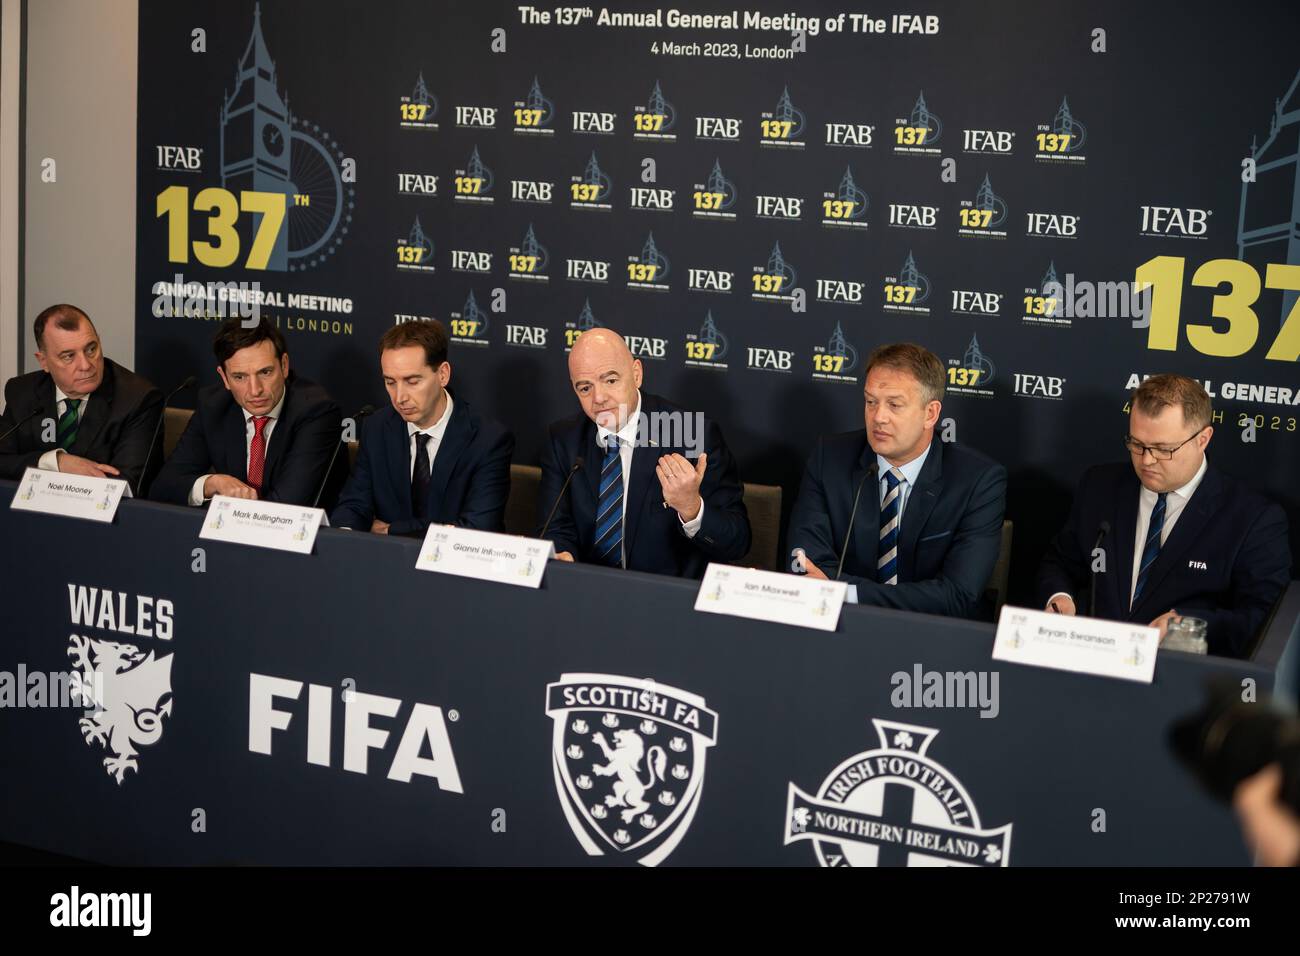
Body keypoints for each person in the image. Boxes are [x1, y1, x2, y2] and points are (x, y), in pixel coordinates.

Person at [1038, 374, 1291, 656]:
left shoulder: (1253, 519)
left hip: (1181, 673)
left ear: (1203, 439)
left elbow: (1263, 620)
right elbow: (1061, 562)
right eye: (1137, 444)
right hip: (1090, 660)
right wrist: (1060, 597)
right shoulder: (1100, 487)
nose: (1147, 460)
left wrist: (1188, 626)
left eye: (1163, 449)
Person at [787, 342, 1006, 619]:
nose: (878, 417)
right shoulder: (829, 459)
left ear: (930, 414)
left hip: (932, 634)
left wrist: (846, 592)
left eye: (894, 405)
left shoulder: (978, 481)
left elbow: (957, 594)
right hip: (839, 624)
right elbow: (805, 564)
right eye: (871, 402)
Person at [537, 327, 749, 577]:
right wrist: (563, 555)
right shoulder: (564, 440)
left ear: (636, 374)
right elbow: (555, 527)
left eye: (610, 380)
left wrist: (692, 508)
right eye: (585, 388)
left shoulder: (691, 434)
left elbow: (738, 541)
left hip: (665, 594)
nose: (599, 398)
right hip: (586, 588)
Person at [331, 319, 513, 536]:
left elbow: (476, 528)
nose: (400, 397)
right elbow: (353, 505)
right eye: (390, 382)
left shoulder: (488, 440)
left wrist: (391, 530)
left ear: (443, 374)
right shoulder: (376, 427)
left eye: (412, 381)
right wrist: (344, 532)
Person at [150, 317, 345, 508]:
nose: (255, 390)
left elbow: (286, 507)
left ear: (284, 365)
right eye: (240, 377)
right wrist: (211, 484)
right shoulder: (214, 406)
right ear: (224, 378)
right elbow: (163, 487)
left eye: (265, 372)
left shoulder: (316, 412)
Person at [0, 304, 163, 494]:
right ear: (43, 361)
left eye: (91, 349)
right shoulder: (22, 391)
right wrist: (56, 462)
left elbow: (128, 485)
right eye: (69, 356)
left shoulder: (138, 399)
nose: (86, 365)